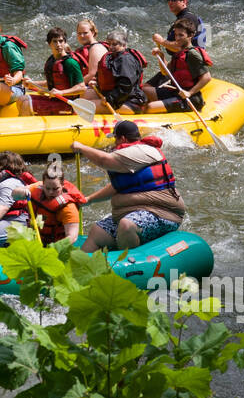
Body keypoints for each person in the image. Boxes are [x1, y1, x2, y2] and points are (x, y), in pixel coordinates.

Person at [74, 120, 186, 252]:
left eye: (115, 139)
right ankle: (79, 267)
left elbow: (104, 160)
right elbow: (118, 186)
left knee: (127, 225)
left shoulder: (142, 151)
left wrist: (81, 148)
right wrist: (89, 200)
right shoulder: (131, 158)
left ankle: (130, 265)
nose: (114, 143)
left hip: (162, 214)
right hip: (135, 212)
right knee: (97, 231)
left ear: (122, 138)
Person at [143, 17, 212, 113]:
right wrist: (161, 56)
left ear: (191, 35)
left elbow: (207, 77)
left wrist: (189, 93)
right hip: (176, 92)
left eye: (181, 35)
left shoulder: (192, 54)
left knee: (150, 107)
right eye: (176, 35)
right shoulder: (179, 53)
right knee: (144, 90)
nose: (177, 38)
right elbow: (165, 71)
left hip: (190, 99)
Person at [12, 159, 88, 245]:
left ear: (62, 185)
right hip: (36, 238)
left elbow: (72, 237)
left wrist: (53, 249)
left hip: (57, 245)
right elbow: (14, 194)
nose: (50, 192)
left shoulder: (68, 208)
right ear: (43, 184)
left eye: (55, 189)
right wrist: (21, 192)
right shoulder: (37, 187)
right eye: (47, 188)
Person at [0, 17, 33, 116]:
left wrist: (13, 80)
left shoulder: (8, 47)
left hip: (15, 89)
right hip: (0, 89)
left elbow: (19, 73)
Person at [90, 31, 149, 114]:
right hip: (115, 98)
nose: (111, 47)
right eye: (109, 44)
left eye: (114, 44)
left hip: (130, 102)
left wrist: (110, 98)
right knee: (85, 95)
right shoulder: (112, 57)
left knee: (87, 107)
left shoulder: (125, 60)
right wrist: (96, 82)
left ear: (124, 45)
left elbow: (126, 85)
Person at [31, 27, 85, 114]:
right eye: (55, 41)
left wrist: (62, 92)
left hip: (68, 104)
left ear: (65, 43)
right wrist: (31, 83)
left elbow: (82, 88)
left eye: (61, 41)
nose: (58, 45)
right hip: (54, 100)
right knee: (22, 99)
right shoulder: (51, 61)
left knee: (26, 103)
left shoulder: (70, 63)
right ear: (49, 44)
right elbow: (52, 82)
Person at [72, 20, 110, 97]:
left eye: (85, 33)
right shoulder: (86, 48)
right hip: (86, 85)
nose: (82, 36)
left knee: (82, 95)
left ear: (92, 32)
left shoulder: (96, 48)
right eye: (79, 33)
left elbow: (92, 74)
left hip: (98, 88)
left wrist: (72, 88)